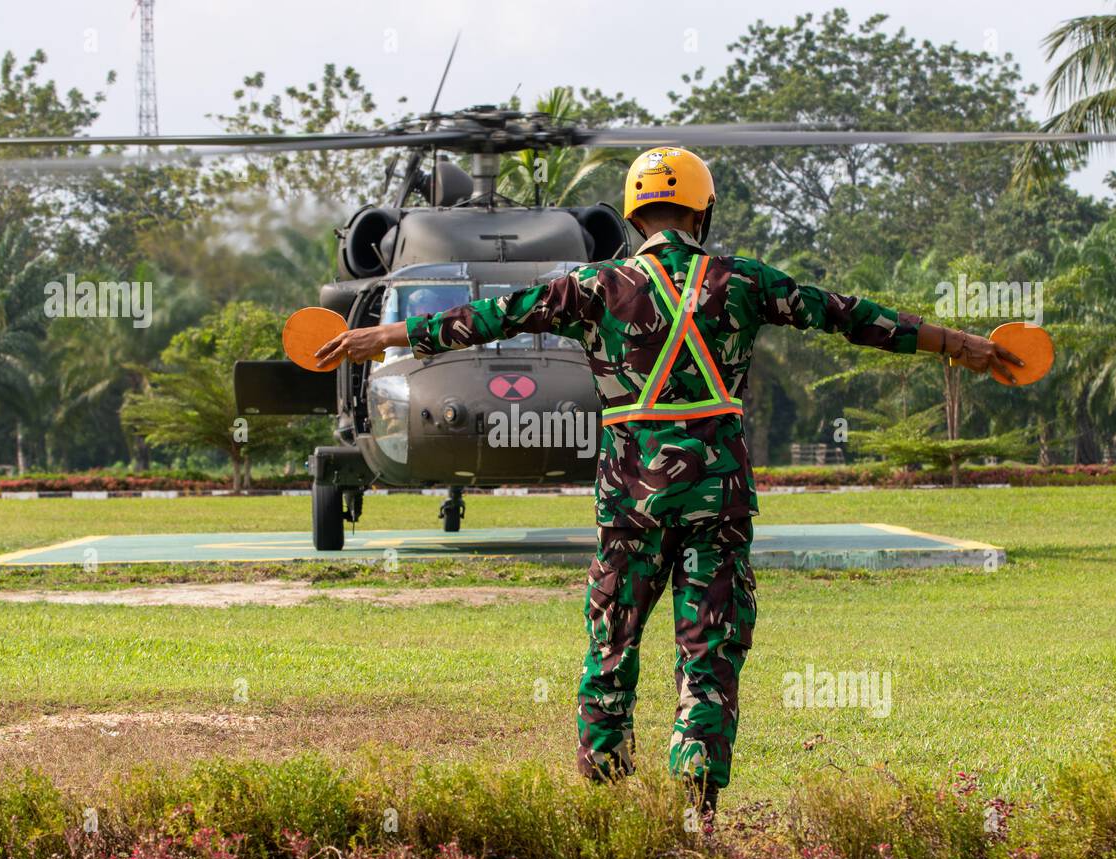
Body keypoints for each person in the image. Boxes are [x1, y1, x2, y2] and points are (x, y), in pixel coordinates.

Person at [315, 146, 1022, 814]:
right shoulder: (742, 283)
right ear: (702, 212)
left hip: (630, 505)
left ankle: (607, 799)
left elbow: (491, 317)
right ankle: (696, 810)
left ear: (632, 216)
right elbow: (850, 317)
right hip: (717, 502)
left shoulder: (594, 287)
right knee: (709, 654)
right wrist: (959, 345)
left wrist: (388, 335)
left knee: (612, 647)